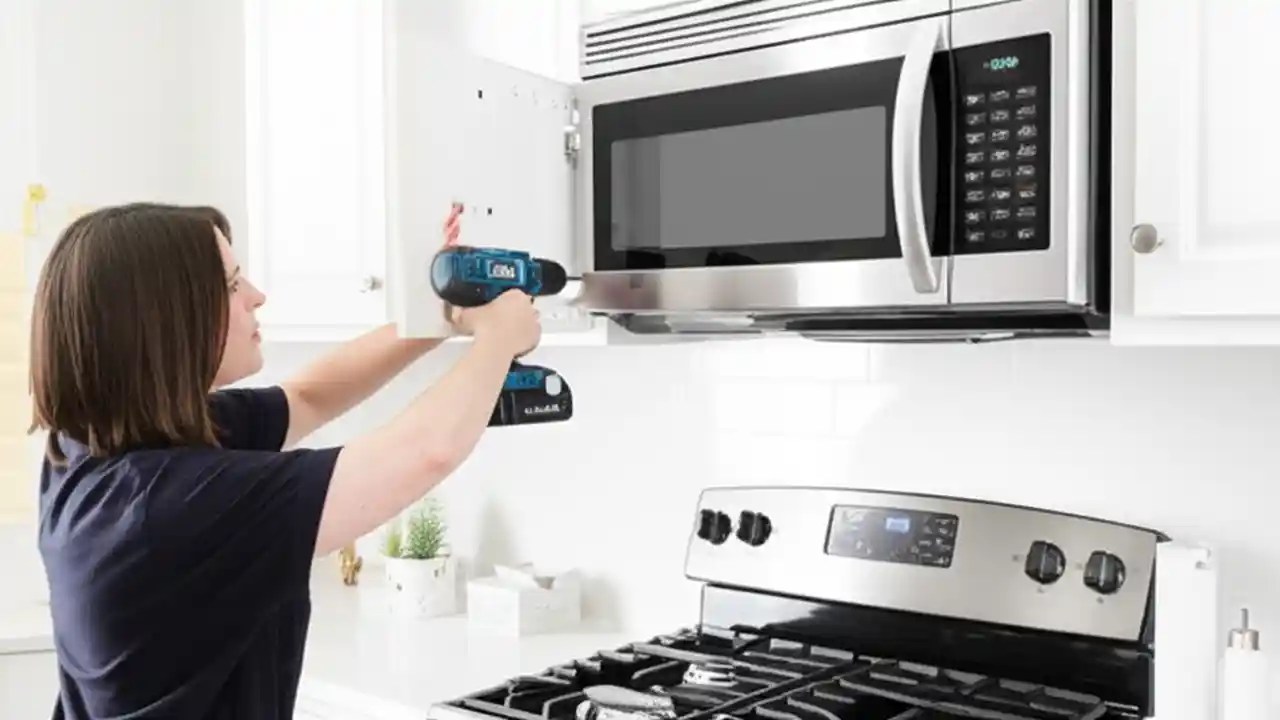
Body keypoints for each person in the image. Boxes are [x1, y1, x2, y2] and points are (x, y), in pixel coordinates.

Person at [28, 201, 539, 719]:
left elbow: (308, 396)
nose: (257, 296)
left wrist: (437, 318)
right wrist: (499, 338)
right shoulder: (165, 507)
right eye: (232, 285)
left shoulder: (92, 451)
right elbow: (425, 452)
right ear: (164, 321)